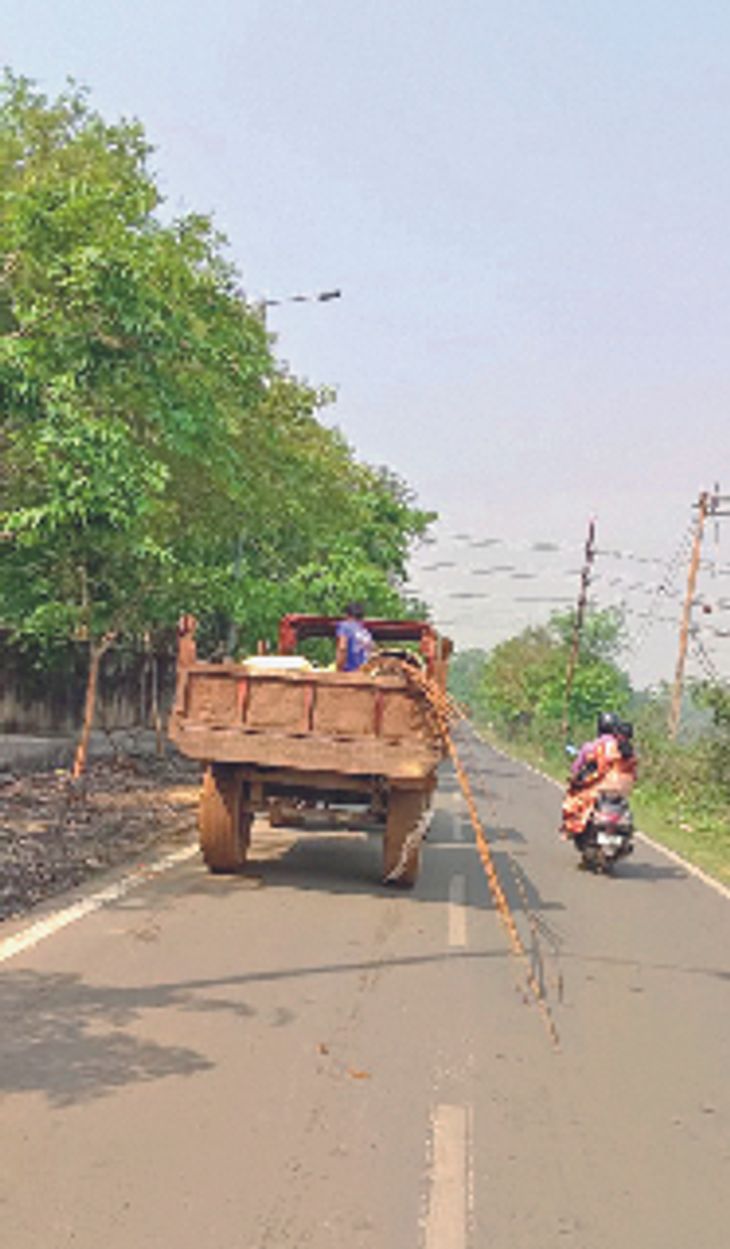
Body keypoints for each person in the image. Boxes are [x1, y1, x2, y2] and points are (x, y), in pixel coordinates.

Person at [561, 712, 637, 839]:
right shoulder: (625, 749)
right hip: (621, 789)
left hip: (598, 787)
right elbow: (633, 773)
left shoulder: (592, 746)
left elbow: (576, 767)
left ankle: (570, 830)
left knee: (573, 803)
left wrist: (576, 775)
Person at [335, 602, 374, 672]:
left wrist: (339, 670)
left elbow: (342, 648)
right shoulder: (366, 633)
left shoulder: (345, 626)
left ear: (347, 615)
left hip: (350, 673)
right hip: (365, 673)